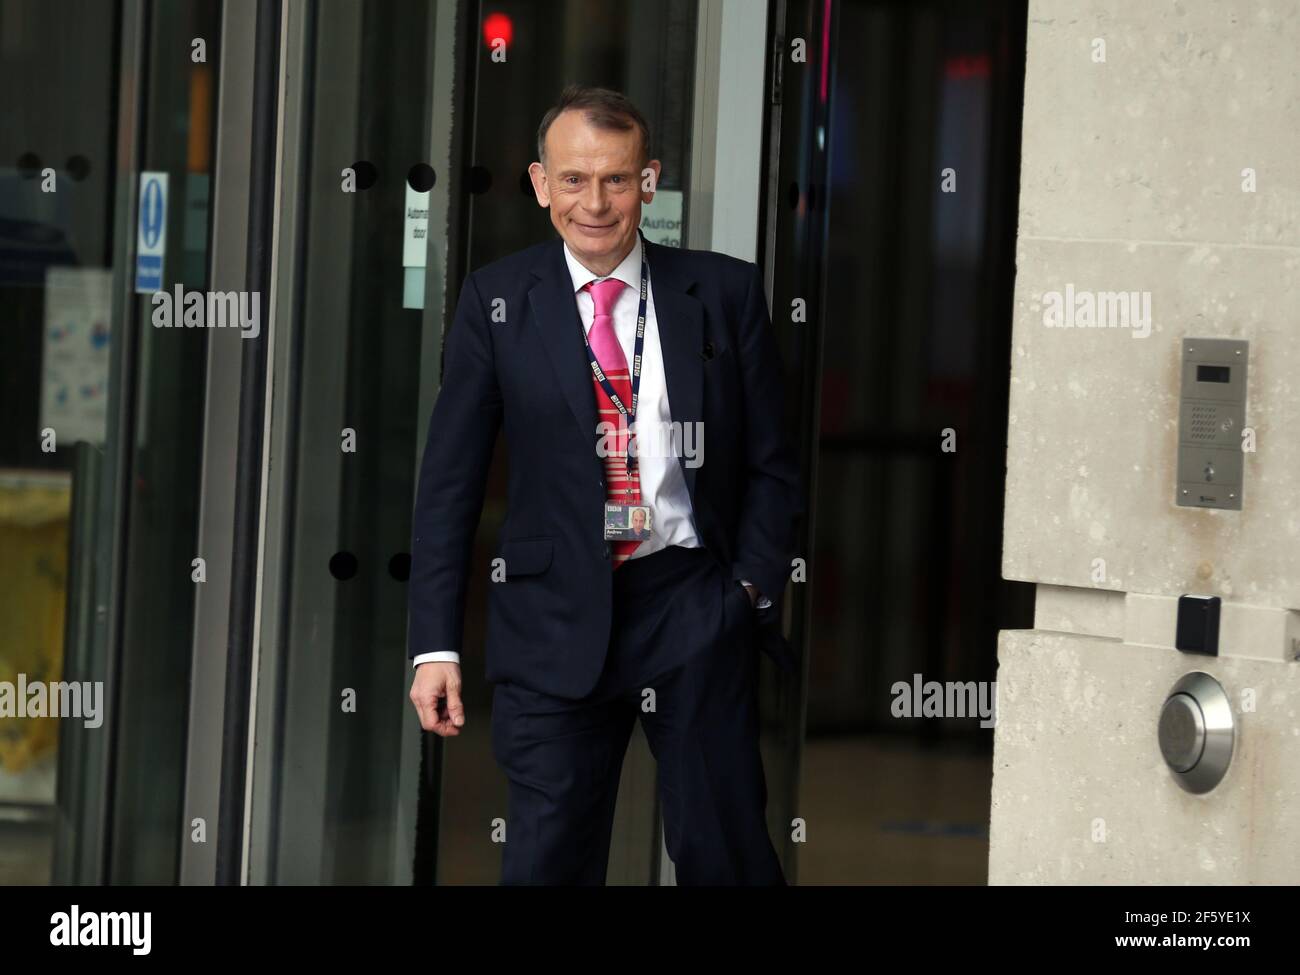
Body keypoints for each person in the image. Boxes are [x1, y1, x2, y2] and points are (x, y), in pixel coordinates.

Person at [407, 84, 802, 885]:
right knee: (547, 863)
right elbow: (449, 485)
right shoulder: (496, 302)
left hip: (690, 601)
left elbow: (774, 463)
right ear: (541, 182)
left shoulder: (722, 294)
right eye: (575, 179)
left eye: (617, 179)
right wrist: (434, 643)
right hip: (552, 616)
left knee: (726, 857)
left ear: (649, 181)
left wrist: (748, 590)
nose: (596, 202)